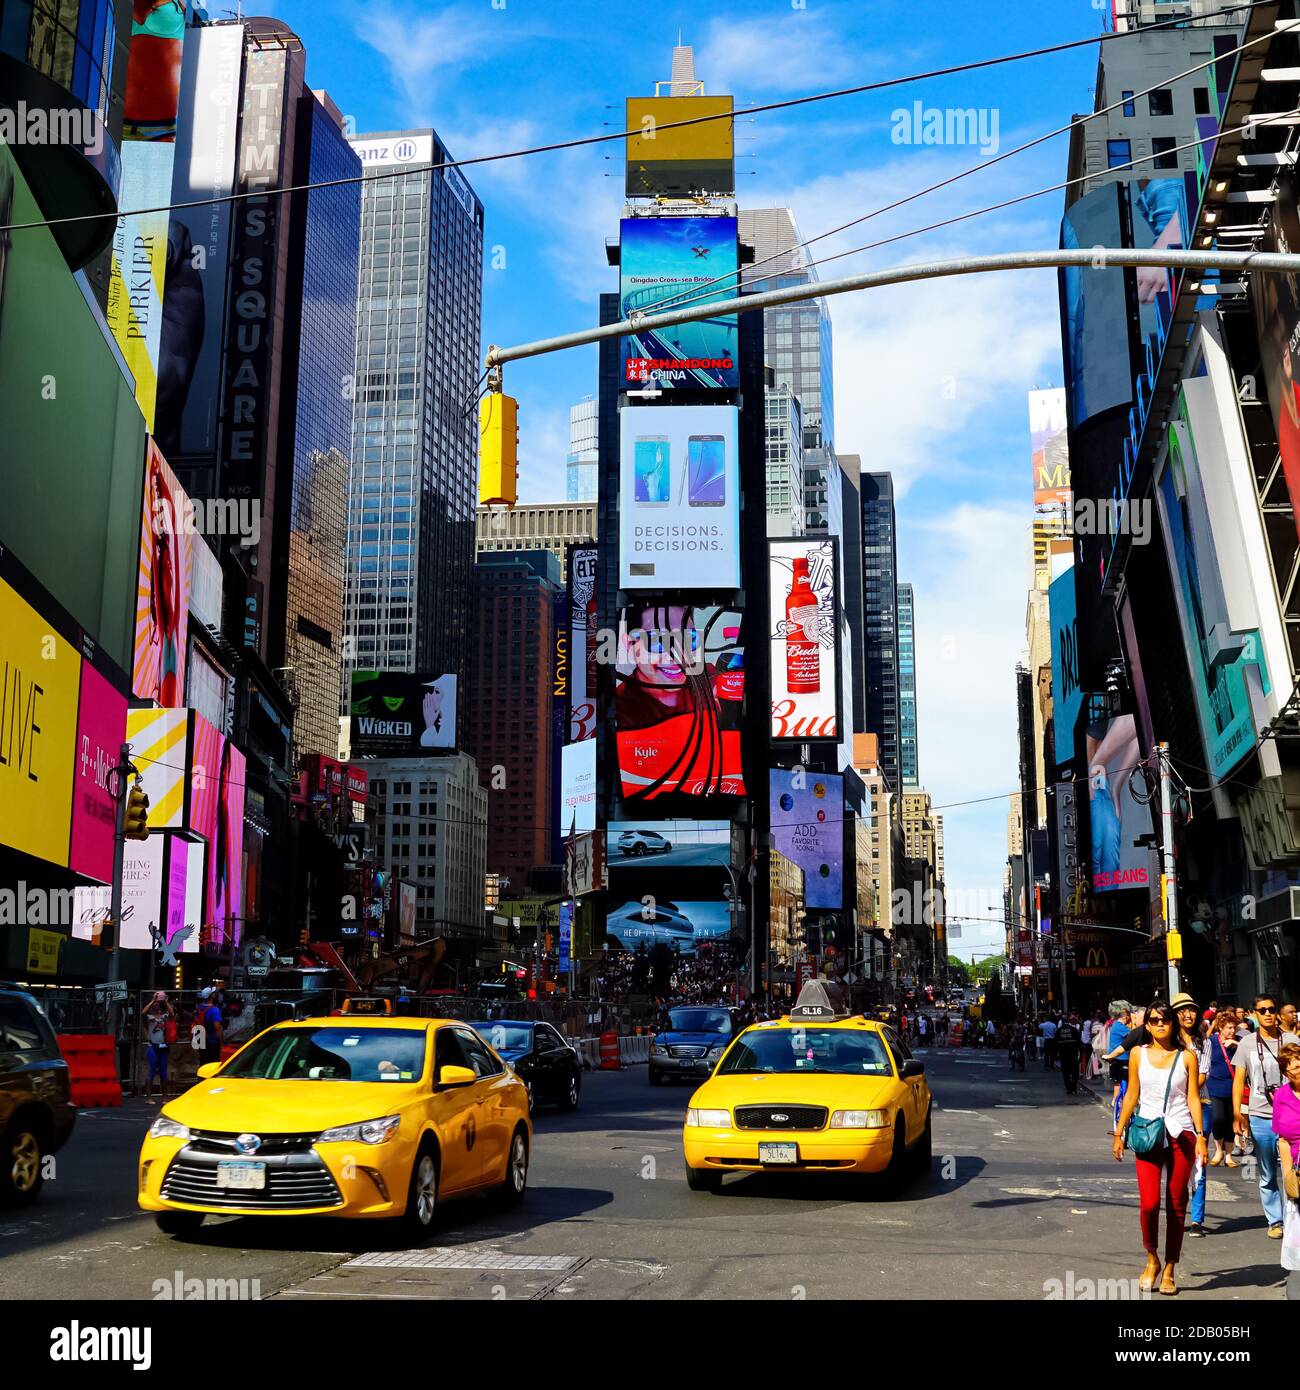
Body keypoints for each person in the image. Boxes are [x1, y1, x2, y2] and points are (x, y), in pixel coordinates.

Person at [1113, 1001, 1208, 1296]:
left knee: (1177, 1205)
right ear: (1147, 1025)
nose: (1159, 1024)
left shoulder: (1188, 1057)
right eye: (1153, 1020)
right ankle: (1151, 1257)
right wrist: (1118, 1132)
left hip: (1182, 1134)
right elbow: (1131, 1096)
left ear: (1173, 1023)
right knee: (1150, 1203)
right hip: (1147, 1133)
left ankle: (1170, 1268)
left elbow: (1193, 1097)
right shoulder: (1138, 1054)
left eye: (1165, 1019)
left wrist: (1202, 1135)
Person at [1233, 994, 1300, 1239]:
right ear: (1255, 1013)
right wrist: (1237, 1114)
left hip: (1292, 1114)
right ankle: (1275, 1220)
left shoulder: (1291, 1039)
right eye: (1263, 1010)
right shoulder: (1247, 1044)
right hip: (1260, 1115)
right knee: (1267, 1171)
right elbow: (1239, 1080)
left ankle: (1294, 1214)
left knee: (1294, 1168)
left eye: (1272, 1009)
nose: (1268, 1013)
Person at [1173, 992, 1210, 1238]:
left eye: (1192, 1010)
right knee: (1177, 1164)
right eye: (1182, 1010)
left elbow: (1202, 1075)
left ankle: (1196, 1219)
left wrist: (1184, 1091)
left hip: (1201, 1104)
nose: (1188, 1014)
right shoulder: (1167, 1041)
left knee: (1199, 1163)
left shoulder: (1203, 1042)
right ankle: (1176, 1213)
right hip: (1172, 1109)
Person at [1272, 1042, 1300, 1299]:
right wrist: (1288, 1175)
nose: (1298, 1069)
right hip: (1297, 1168)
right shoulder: (1281, 1096)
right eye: (1293, 1066)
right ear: (1286, 1072)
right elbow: (1282, 1138)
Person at [1205, 1010, 1241, 1169]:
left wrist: (1236, 1044)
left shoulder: (1239, 1042)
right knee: (1218, 1118)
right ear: (1220, 1027)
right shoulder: (1211, 1041)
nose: (1232, 1031)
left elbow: (1249, 1054)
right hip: (1214, 1086)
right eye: (1229, 1028)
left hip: (1234, 1087)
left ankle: (1228, 1155)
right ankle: (1218, 1150)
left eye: (1234, 1027)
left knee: (1230, 1121)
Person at [142, 991, 175, 1102]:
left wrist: (165, 1001)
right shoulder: (150, 1016)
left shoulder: (164, 1016)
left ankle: (164, 1097)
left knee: (163, 1072)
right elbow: (143, 1012)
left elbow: (172, 1014)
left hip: (163, 1046)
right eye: (155, 1004)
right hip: (153, 1045)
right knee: (151, 1072)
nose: (156, 1005)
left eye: (157, 1003)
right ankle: (149, 1097)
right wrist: (152, 1000)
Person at [193, 987, 224, 1068]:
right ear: (211, 996)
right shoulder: (214, 1010)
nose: (215, 994)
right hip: (212, 1042)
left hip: (201, 1040)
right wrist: (221, 1044)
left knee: (203, 1062)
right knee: (213, 1065)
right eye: (213, 993)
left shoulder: (199, 1007)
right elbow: (217, 1027)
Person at [1056, 1013, 1083, 1095]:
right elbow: (1079, 1043)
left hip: (1063, 1055)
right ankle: (1074, 1087)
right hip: (1073, 1055)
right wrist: (1081, 1055)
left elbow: (1055, 1043)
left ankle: (1069, 1089)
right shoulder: (1074, 1030)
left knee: (1065, 1073)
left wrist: (1056, 1055)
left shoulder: (1059, 1031)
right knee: (1075, 1071)